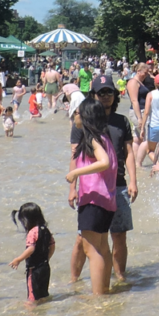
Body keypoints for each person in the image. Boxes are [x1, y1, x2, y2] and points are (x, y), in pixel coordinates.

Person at [68, 75, 138, 285]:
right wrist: (73, 188)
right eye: (101, 92)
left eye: (110, 92)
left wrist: (133, 181)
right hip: (94, 190)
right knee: (85, 241)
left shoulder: (120, 121)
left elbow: (128, 153)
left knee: (117, 236)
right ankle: (75, 280)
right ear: (94, 96)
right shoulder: (82, 126)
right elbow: (75, 157)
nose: (106, 96)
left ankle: (119, 277)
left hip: (115, 186)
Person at [66, 98, 117, 295]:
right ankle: (104, 290)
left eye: (77, 113)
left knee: (90, 250)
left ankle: (98, 297)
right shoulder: (105, 138)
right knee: (103, 247)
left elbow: (103, 162)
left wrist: (76, 173)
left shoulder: (92, 139)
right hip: (107, 201)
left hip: (94, 200)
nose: (74, 116)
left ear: (86, 117)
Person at [7, 203, 56, 304]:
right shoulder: (46, 230)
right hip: (45, 267)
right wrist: (47, 258)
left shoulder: (32, 232)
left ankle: (31, 315)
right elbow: (52, 245)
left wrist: (18, 259)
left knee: (32, 298)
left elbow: (31, 249)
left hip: (34, 269)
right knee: (43, 294)